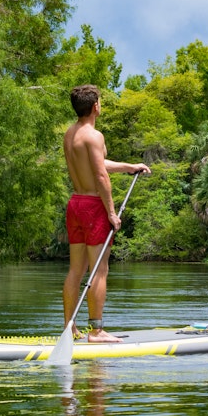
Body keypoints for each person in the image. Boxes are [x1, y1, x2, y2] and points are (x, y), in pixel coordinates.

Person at [63, 84, 150, 343]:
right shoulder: (95, 136)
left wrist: (129, 167)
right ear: (95, 106)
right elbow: (100, 175)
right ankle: (97, 331)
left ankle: (70, 328)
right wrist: (111, 212)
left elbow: (97, 165)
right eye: (99, 101)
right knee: (99, 270)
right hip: (92, 207)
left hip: (75, 204)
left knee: (75, 270)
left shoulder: (70, 134)